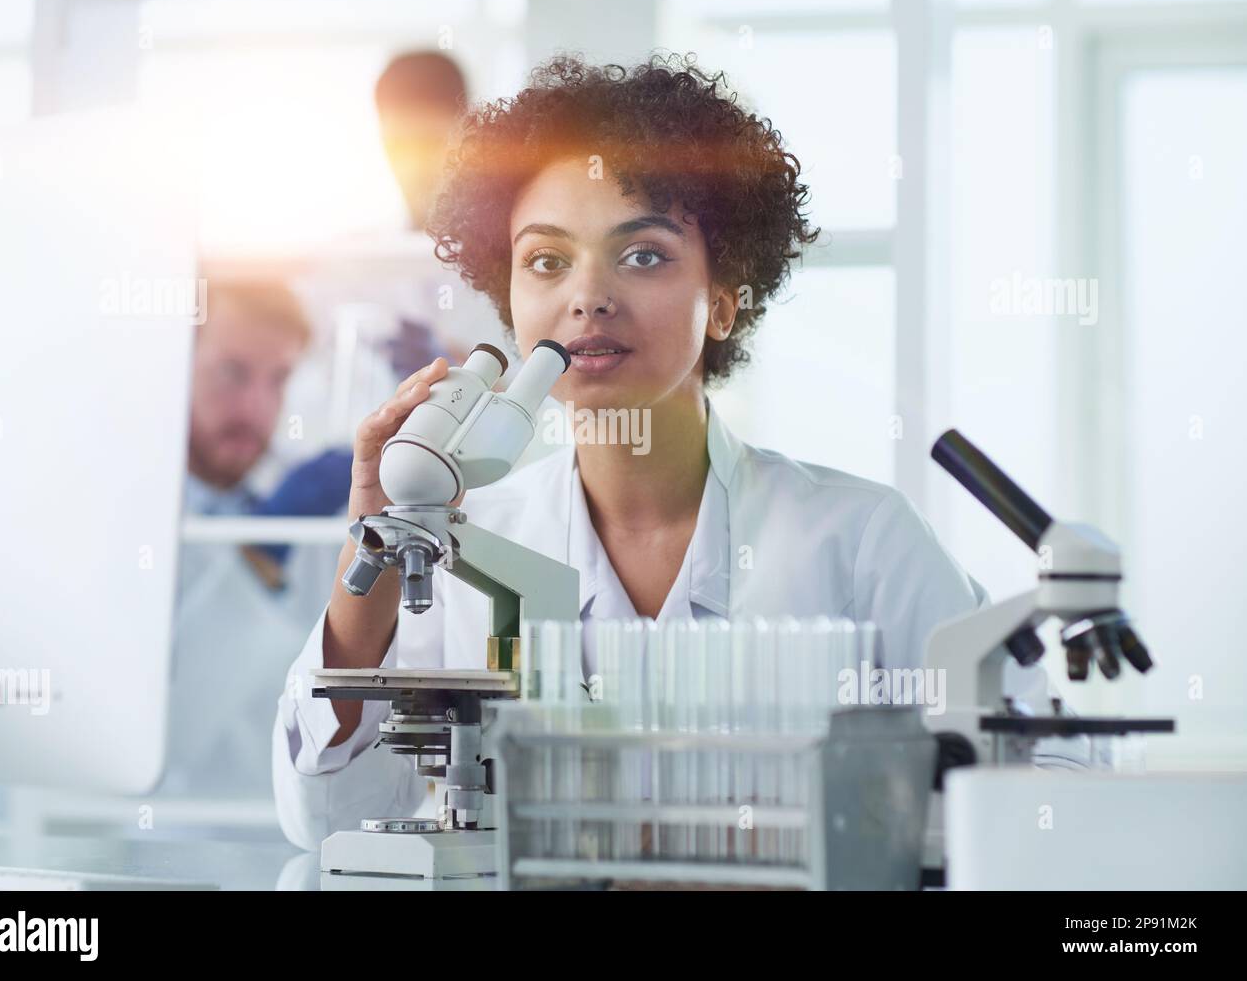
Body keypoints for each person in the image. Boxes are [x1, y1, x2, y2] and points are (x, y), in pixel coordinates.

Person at [271, 53, 1053, 851]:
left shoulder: (860, 540)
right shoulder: (466, 545)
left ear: (723, 301)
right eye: (546, 260)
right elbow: (323, 821)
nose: (588, 295)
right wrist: (368, 543)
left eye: (642, 254)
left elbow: (1043, 781)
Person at [162, 280, 350, 799]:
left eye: (278, 379)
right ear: (174, 357)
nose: (256, 406)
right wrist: (257, 559)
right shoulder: (131, 514)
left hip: (284, 846)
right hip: (164, 846)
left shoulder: (308, 504)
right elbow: (166, 731)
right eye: (232, 372)